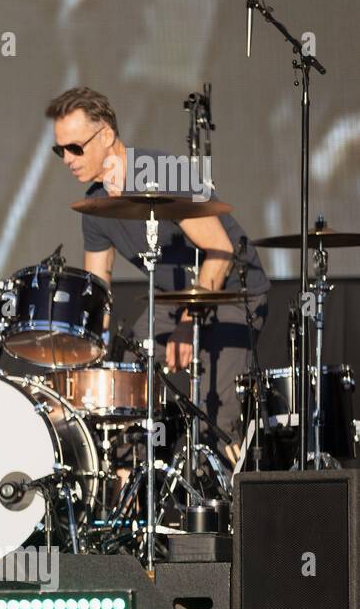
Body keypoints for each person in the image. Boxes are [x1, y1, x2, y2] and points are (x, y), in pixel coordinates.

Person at [44, 87, 271, 458]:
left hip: (233, 290)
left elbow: (221, 251)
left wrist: (187, 324)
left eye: (75, 147)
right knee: (126, 384)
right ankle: (135, 489)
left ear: (105, 135)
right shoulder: (95, 206)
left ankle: (228, 503)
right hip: (172, 297)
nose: (67, 159)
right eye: (60, 150)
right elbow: (97, 290)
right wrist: (82, 350)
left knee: (216, 414)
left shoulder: (162, 173)